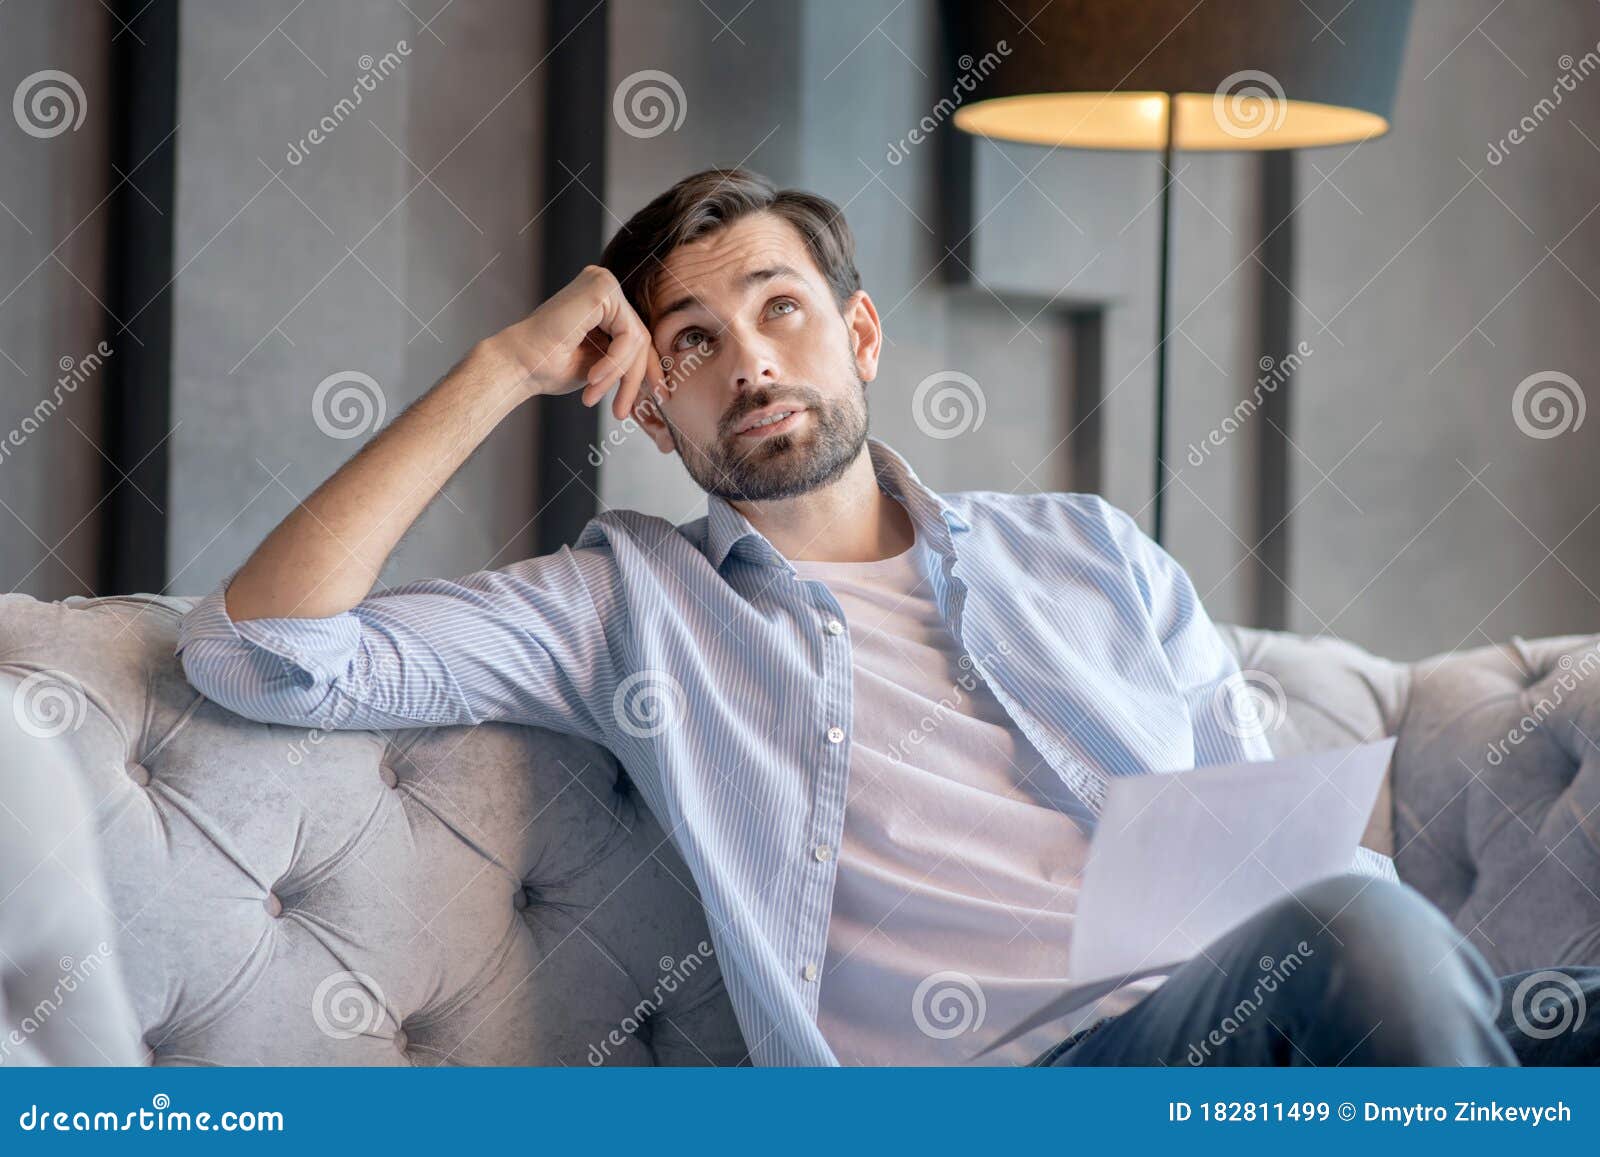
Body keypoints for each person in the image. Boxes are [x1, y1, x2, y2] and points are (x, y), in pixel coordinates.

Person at [176, 167, 1596, 1067]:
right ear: (651, 410)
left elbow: (1276, 827)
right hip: (1032, 1085)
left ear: (858, 337)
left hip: (1255, 1037)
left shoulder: (1087, 548)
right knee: (1360, 934)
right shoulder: (624, 605)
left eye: (780, 310)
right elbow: (260, 649)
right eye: (693, 342)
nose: (749, 361)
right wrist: (498, 367)